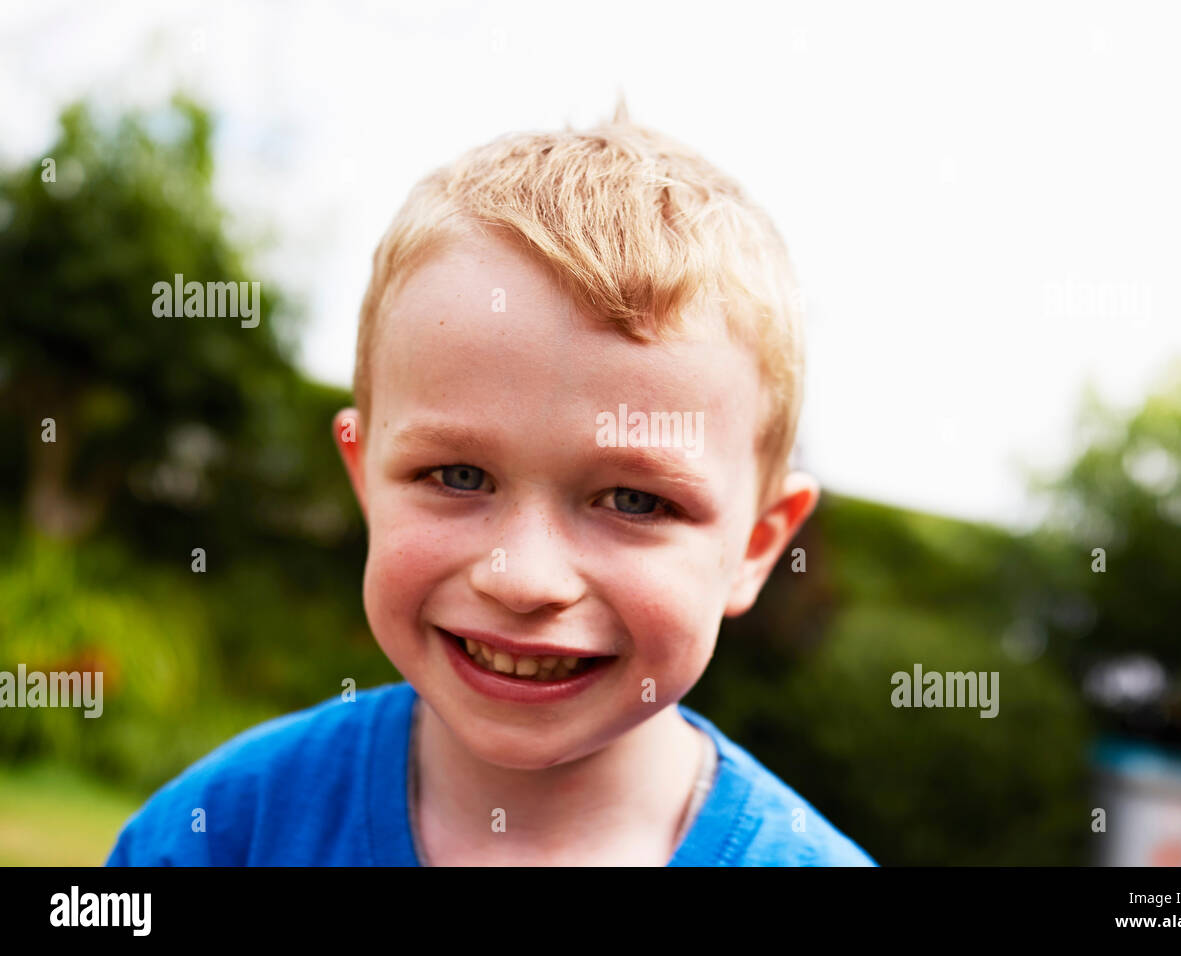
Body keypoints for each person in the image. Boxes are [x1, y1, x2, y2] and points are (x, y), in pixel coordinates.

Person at [106, 102, 878, 866]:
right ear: (365, 477)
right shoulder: (223, 833)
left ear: (755, 545)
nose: (524, 581)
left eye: (636, 500)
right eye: (459, 476)